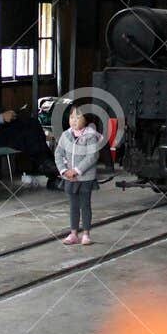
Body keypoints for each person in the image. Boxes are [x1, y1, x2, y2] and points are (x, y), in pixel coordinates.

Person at [55, 105, 104, 247]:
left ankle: (86, 234)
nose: (74, 120)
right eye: (71, 117)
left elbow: (92, 156)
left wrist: (77, 170)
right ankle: (73, 233)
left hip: (85, 178)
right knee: (73, 206)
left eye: (78, 117)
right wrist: (64, 170)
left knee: (85, 205)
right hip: (69, 178)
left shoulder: (90, 136)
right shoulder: (66, 135)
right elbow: (58, 153)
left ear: (86, 119)